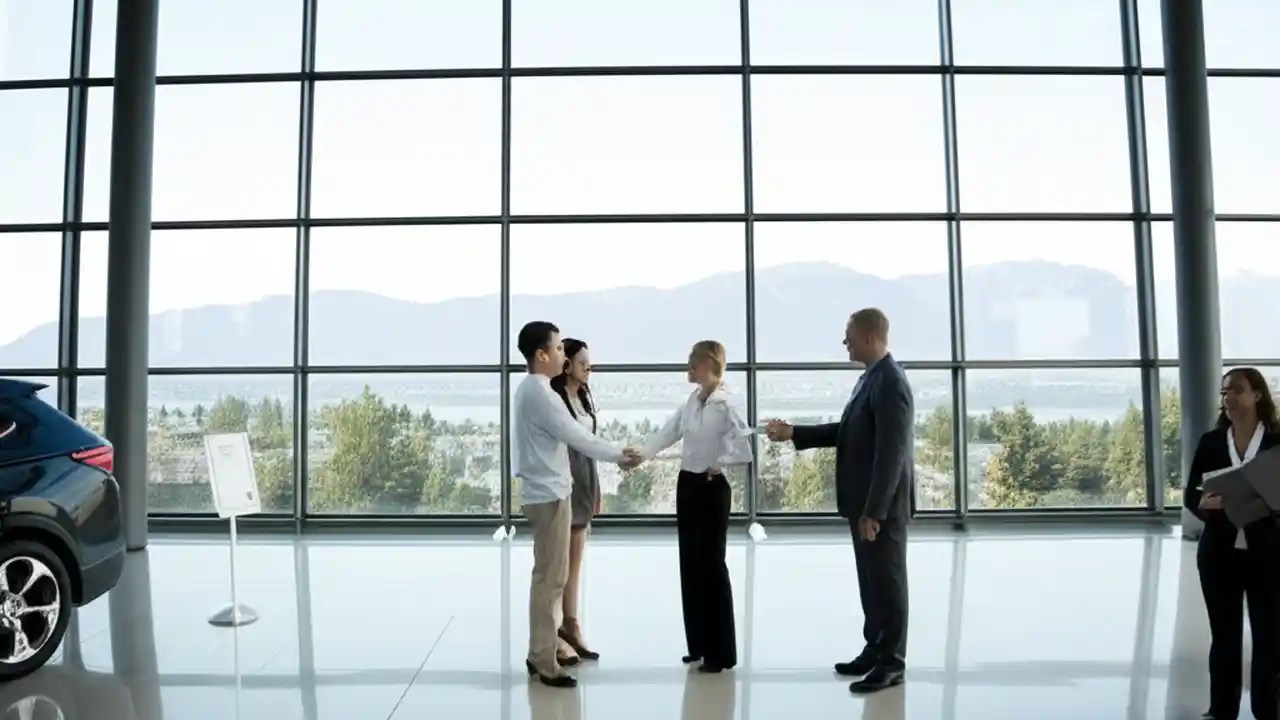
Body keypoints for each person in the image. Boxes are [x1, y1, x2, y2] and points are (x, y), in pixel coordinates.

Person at [765, 308, 914, 694]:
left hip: (878, 509)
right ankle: (874, 650)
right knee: (871, 582)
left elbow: (891, 454)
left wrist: (874, 512)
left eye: (848, 336)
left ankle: (892, 663)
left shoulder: (890, 383)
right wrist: (794, 432)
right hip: (863, 505)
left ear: (868, 337)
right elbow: (848, 432)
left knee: (888, 583)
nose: (844, 342)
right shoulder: (871, 378)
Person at [512, 321, 640, 688]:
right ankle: (543, 658)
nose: (562, 355)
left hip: (549, 492)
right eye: (557, 349)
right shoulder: (540, 394)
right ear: (541, 355)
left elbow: (578, 436)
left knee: (550, 577)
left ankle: (544, 650)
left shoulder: (531, 391)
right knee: (550, 580)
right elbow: (577, 437)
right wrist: (620, 454)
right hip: (549, 495)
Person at [639, 340, 753, 674]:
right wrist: (643, 454)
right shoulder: (692, 400)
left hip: (711, 487)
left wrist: (718, 462)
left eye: (693, 363)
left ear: (710, 364)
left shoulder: (727, 404)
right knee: (690, 563)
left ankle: (721, 653)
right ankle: (699, 645)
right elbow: (669, 432)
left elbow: (743, 451)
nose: (688, 368)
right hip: (687, 485)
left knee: (713, 566)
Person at [1184, 367, 1280, 720]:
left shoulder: (1276, 441)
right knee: (1223, 637)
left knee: (1270, 638)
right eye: (1224, 392)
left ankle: (1268, 710)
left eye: (1236, 391)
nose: (1228, 398)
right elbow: (1190, 492)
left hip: (1269, 553)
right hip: (1219, 552)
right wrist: (1203, 503)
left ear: (1257, 396)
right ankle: (1221, 710)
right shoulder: (1212, 442)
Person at [549, 338, 602, 663]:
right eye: (583, 363)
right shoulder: (555, 400)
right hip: (566, 483)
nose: (588, 368)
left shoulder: (582, 396)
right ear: (566, 365)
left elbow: (590, 442)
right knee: (560, 565)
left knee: (575, 562)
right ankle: (560, 630)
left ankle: (570, 624)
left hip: (585, 479)